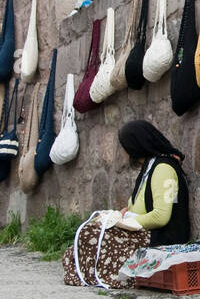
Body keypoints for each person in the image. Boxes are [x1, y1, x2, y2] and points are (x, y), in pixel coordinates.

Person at [62, 120, 191, 288]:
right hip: (144, 230)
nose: (124, 152)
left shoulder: (164, 169)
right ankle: (90, 271)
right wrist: (122, 214)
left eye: (126, 147)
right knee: (89, 232)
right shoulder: (150, 167)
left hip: (162, 237)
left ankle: (106, 274)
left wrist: (126, 223)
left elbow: (161, 216)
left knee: (91, 237)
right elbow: (138, 204)